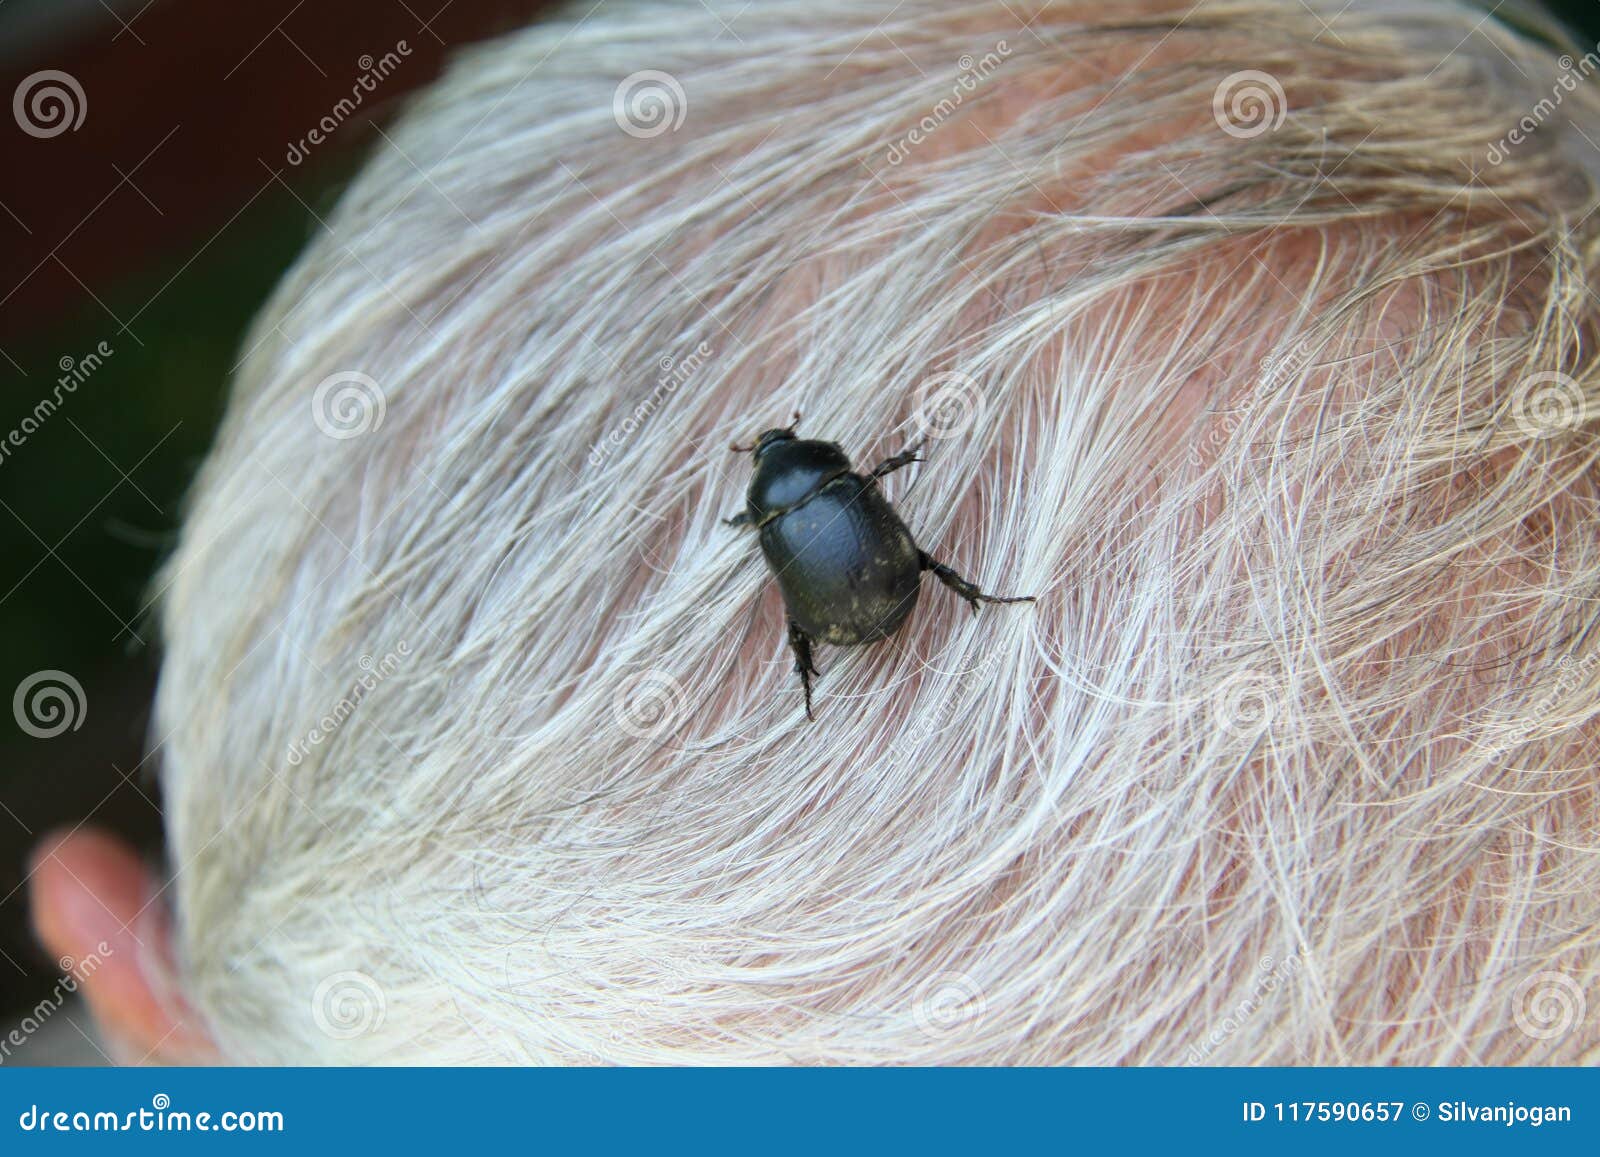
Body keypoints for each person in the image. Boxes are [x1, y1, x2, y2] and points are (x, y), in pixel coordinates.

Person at [30, 0, 1600, 1063]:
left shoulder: (799, 513)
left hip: (853, 582)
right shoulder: (833, 498)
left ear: (147, 1000)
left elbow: (824, 550)